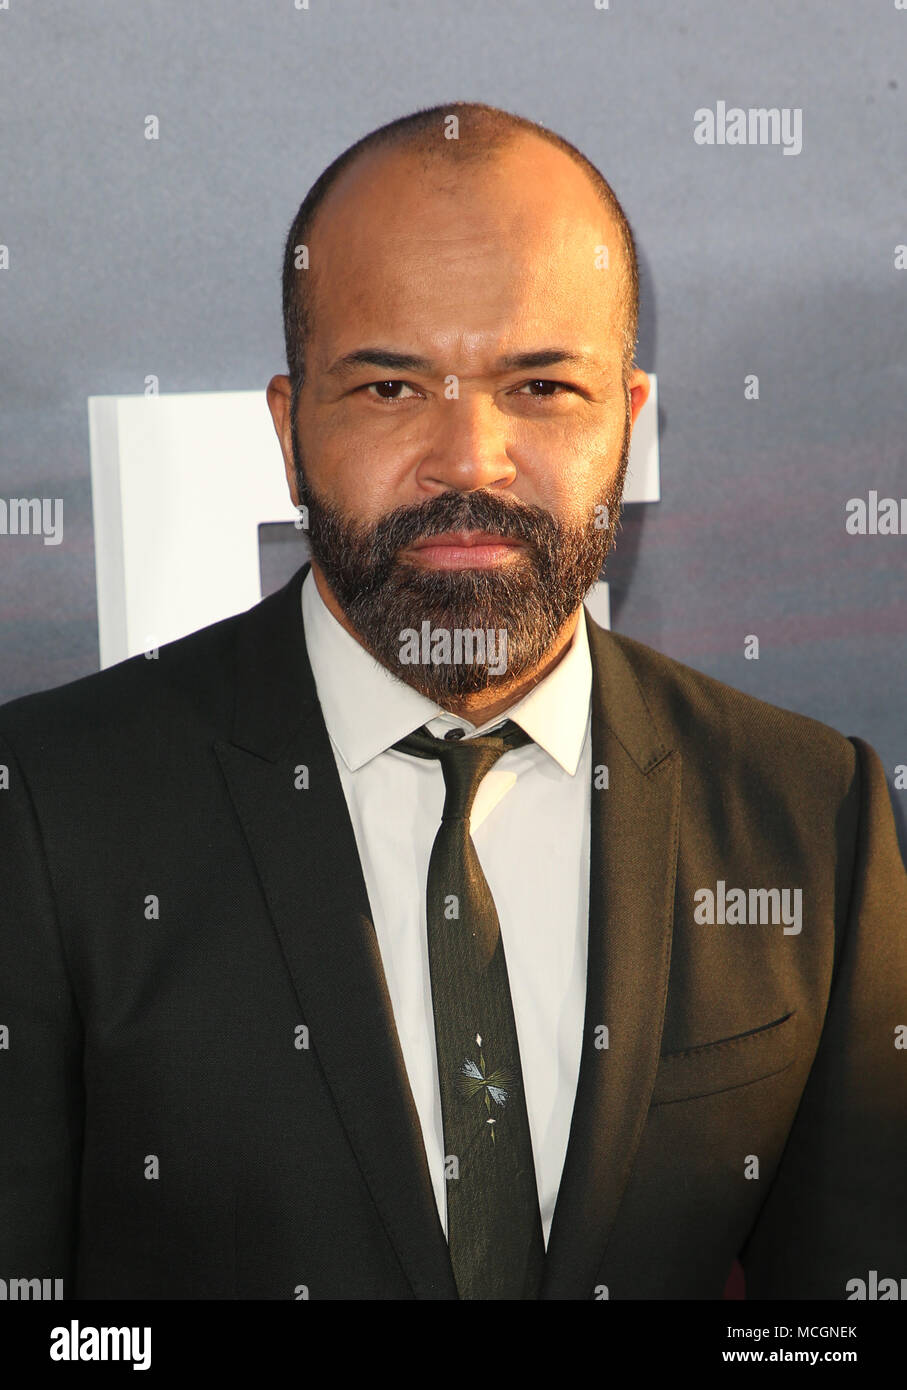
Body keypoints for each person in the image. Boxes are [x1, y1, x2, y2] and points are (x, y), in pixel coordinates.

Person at [1, 101, 904, 1301]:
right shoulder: (53, 812)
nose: (469, 457)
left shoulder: (809, 813)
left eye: (539, 385)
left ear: (629, 428)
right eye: (388, 389)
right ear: (288, 430)